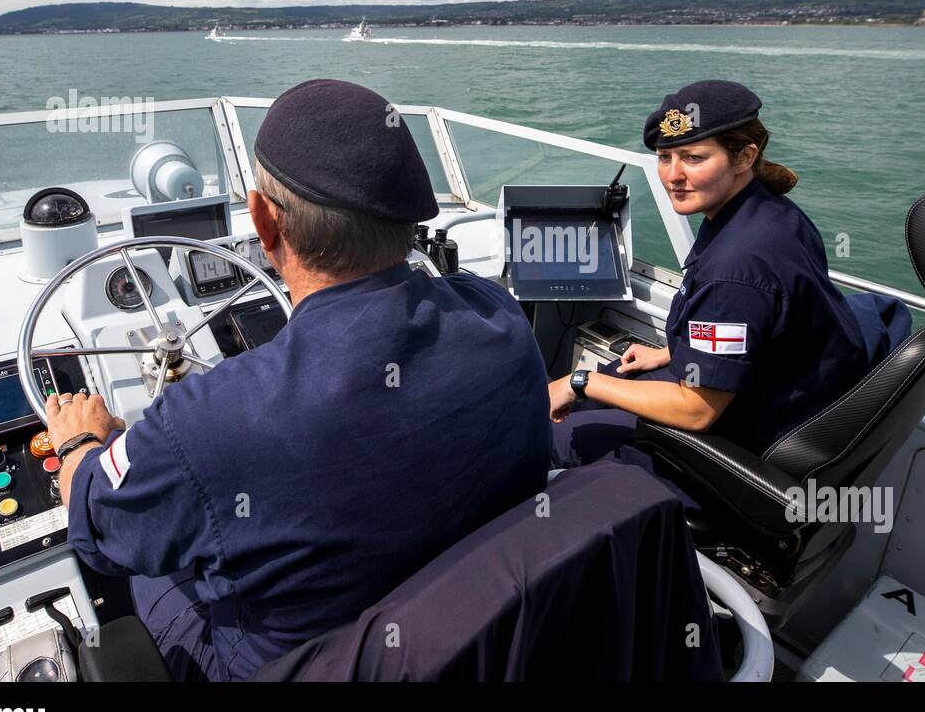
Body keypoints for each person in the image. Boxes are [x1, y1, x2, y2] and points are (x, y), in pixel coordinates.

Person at [48, 79, 552, 680]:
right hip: (485, 639)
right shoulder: (499, 315)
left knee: (149, 562)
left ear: (263, 222)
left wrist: (83, 443)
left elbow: (96, 523)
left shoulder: (206, 423)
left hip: (289, 665)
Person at [549, 79, 910, 469]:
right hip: (781, 394)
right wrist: (672, 353)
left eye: (693, 158)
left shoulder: (735, 268)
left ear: (743, 157)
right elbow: (767, 328)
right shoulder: (773, 213)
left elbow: (696, 412)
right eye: (664, 157)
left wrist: (579, 382)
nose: (672, 175)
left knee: (559, 436)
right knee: (607, 384)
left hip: (743, 439)